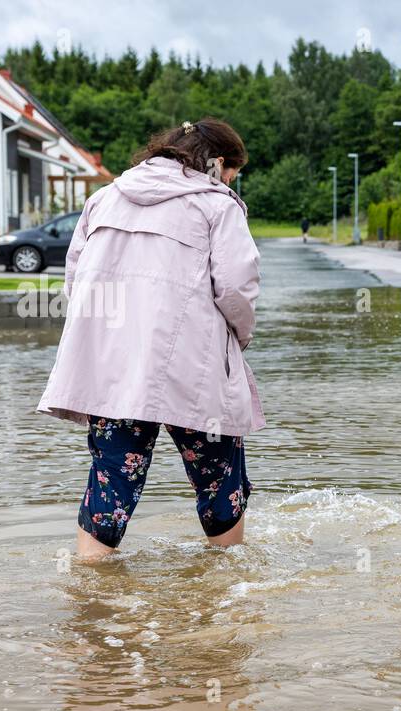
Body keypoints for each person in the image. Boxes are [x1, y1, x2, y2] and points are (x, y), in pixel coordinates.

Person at [37, 118, 265, 560]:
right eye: (235, 171)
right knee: (219, 479)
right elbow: (237, 288)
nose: (235, 181)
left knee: (111, 477)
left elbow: (76, 280)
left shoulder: (103, 199)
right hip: (192, 363)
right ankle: (225, 587)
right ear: (217, 164)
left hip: (112, 369)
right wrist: (239, 337)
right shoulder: (218, 206)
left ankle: (90, 594)